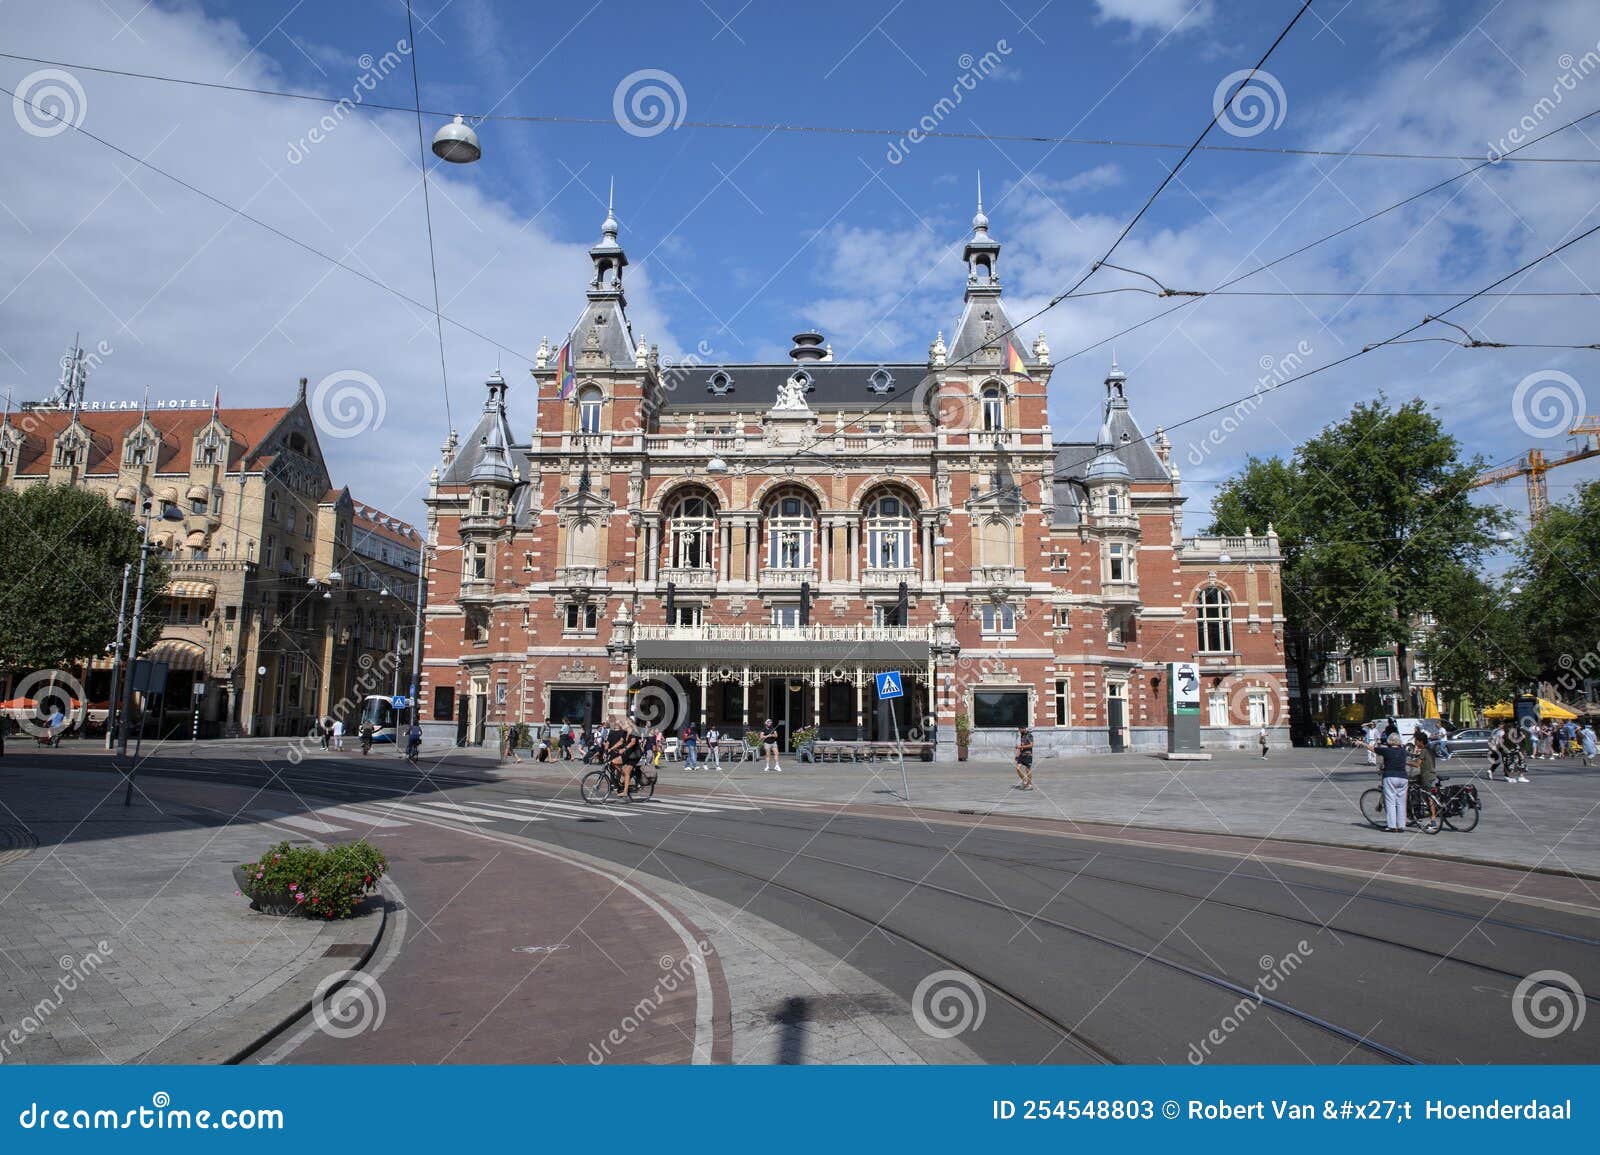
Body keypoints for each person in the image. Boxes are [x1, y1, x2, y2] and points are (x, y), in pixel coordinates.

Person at [1368, 732, 1410, 833]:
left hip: (1390, 777)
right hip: (1403, 778)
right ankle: (1401, 826)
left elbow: (1373, 749)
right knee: (1401, 803)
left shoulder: (1387, 750)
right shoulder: (1403, 751)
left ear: (1389, 741)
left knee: (1390, 802)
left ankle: (1391, 826)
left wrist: (1362, 743)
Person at [1409, 730, 1439, 828]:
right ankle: (1417, 814)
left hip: (1426, 777)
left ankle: (1433, 820)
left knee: (1428, 798)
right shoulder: (1429, 749)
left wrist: (1405, 762)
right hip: (1432, 775)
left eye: (1416, 740)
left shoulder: (1423, 751)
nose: (1414, 742)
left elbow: (1417, 764)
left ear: (1420, 741)